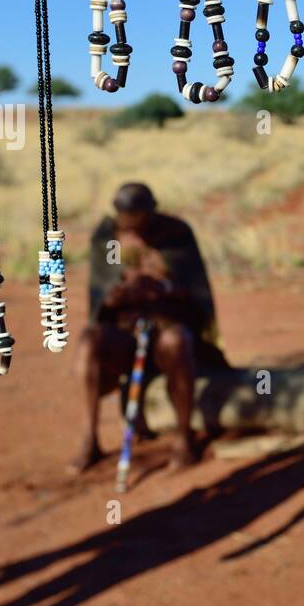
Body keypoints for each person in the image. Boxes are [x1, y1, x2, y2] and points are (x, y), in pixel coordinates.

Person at [71, 182, 229, 473]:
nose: (131, 226)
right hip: (125, 331)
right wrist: (116, 295)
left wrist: (160, 287)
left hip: (168, 328)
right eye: (126, 219)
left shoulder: (175, 234)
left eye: (138, 219)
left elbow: (194, 290)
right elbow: (100, 295)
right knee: (89, 340)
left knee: (176, 341)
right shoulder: (107, 237)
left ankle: (184, 435)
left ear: (151, 213)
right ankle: (89, 437)